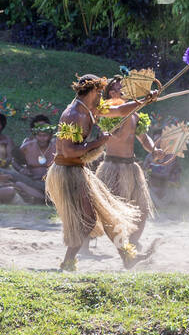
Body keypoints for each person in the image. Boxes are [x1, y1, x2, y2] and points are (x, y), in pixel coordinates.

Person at [43, 74, 158, 271]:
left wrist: (144, 101)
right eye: (99, 92)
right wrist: (99, 142)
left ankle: (127, 256)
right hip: (67, 172)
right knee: (87, 222)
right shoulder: (74, 115)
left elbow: (120, 110)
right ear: (91, 91)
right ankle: (68, 262)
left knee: (109, 215)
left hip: (77, 170)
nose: (102, 96)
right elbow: (69, 150)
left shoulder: (90, 108)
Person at [95, 76, 166, 250]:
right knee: (113, 209)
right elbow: (116, 134)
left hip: (131, 167)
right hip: (112, 167)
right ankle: (102, 242)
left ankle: (133, 242)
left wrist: (153, 150)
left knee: (141, 208)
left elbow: (143, 137)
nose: (127, 89)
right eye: (122, 88)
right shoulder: (108, 111)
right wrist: (143, 101)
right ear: (112, 92)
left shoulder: (134, 114)